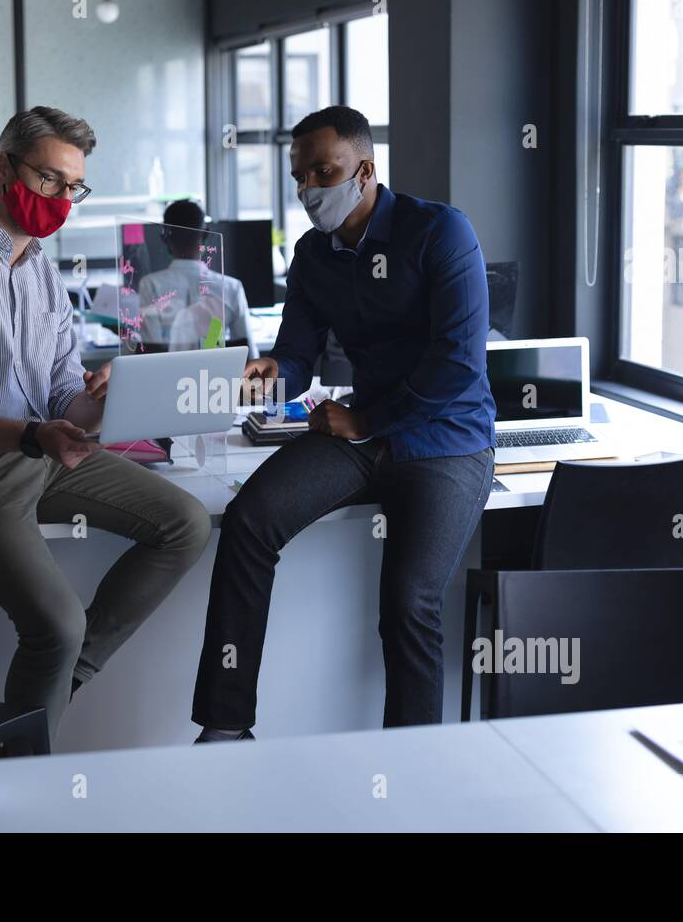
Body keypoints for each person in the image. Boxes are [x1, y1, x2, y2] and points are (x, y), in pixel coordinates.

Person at [0, 106, 211, 741]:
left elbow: (61, 394)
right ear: (3, 168)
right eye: (49, 180)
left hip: (35, 454)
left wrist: (105, 399)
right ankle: (31, 755)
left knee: (185, 523)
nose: (62, 199)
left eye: (73, 186)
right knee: (56, 624)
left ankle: (58, 687)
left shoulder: (39, 269)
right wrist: (30, 435)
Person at [191, 106, 497, 741]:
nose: (308, 191)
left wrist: (365, 419)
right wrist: (268, 370)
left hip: (445, 441)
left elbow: (457, 366)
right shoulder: (312, 254)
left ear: (365, 170)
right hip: (361, 438)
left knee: (409, 602)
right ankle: (225, 726)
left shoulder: (440, 231)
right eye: (299, 176)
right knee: (250, 522)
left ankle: (411, 765)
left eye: (322, 172)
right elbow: (298, 359)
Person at [136, 200, 258, 356]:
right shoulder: (231, 287)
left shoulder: (150, 285)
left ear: (164, 237)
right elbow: (250, 356)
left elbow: (151, 352)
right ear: (206, 234)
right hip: (217, 378)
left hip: (170, 377)